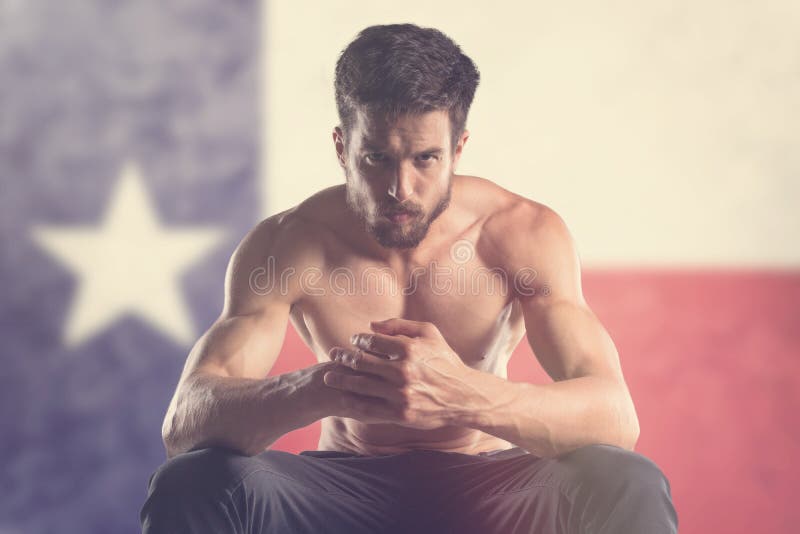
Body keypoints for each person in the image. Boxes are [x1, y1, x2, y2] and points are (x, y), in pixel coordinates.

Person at [140, 23, 678, 534]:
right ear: (340, 148)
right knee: (193, 480)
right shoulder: (288, 243)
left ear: (458, 149)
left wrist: (461, 395)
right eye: (375, 158)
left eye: (425, 159)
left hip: (490, 488)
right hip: (341, 486)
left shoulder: (522, 234)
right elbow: (185, 424)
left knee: (626, 481)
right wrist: (324, 386)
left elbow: (615, 418)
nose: (400, 187)